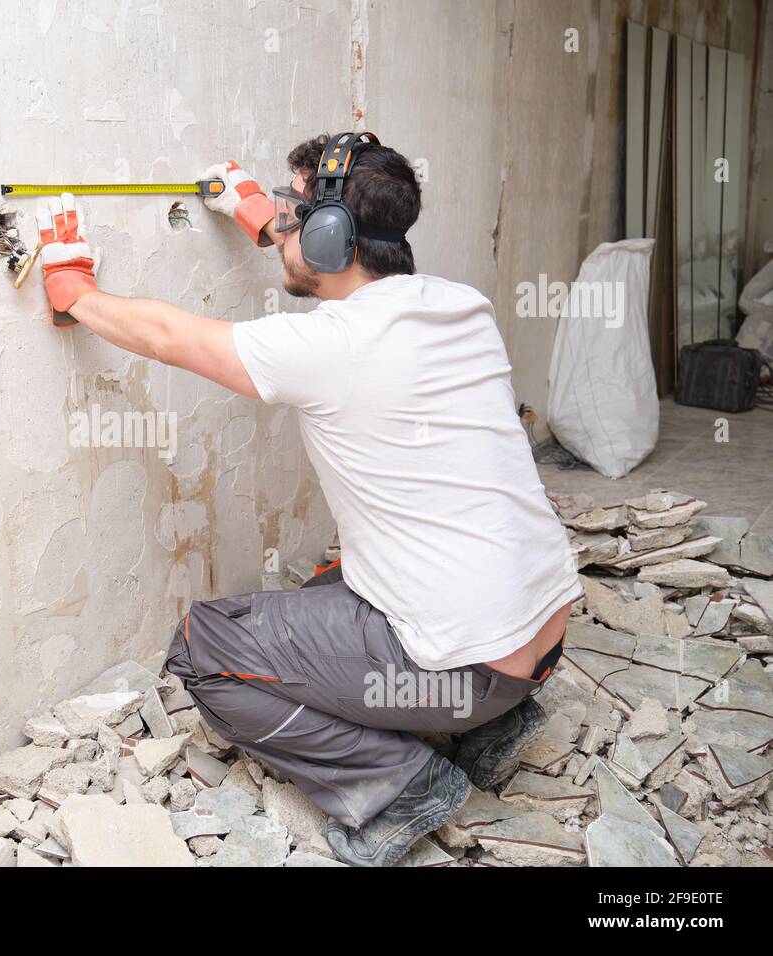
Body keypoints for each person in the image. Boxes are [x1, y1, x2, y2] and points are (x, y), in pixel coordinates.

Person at [35, 132, 581, 866]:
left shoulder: (329, 346)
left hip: (470, 673)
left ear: (329, 237)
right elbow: (347, 277)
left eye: (294, 213)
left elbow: (167, 336)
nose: (281, 223)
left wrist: (75, 291)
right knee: (337, 578)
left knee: (206, 646)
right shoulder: (461, 307)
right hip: (541, 640)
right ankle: (488, 726)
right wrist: (263, 218)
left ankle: (399, 784)